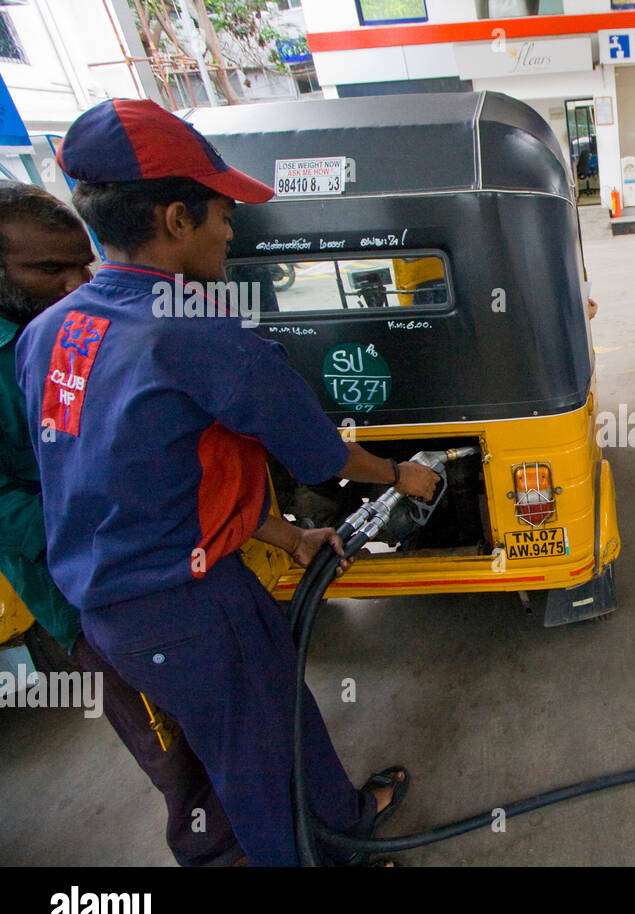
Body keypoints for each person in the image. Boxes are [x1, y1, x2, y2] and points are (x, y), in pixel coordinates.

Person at [16, 98, 441, 866]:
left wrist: (289, 533)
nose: (232, 229)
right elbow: (319, 454)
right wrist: (402, 475)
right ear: (177, 218)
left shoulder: (52, 330)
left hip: (123, 602)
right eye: (221, 212)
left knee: (278, 709)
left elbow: (151, 477)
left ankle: (342, 818)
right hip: (185, 606)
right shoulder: (198, 330)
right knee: (256, 771)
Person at [0, 180, 244, 866]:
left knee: (228, 721)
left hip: (161, 567)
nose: (76, 282)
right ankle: (221, 855)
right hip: (86, 591)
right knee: (170, 744)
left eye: (84, 264)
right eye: (50, 269)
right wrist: (101, 525)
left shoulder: (74, 324)